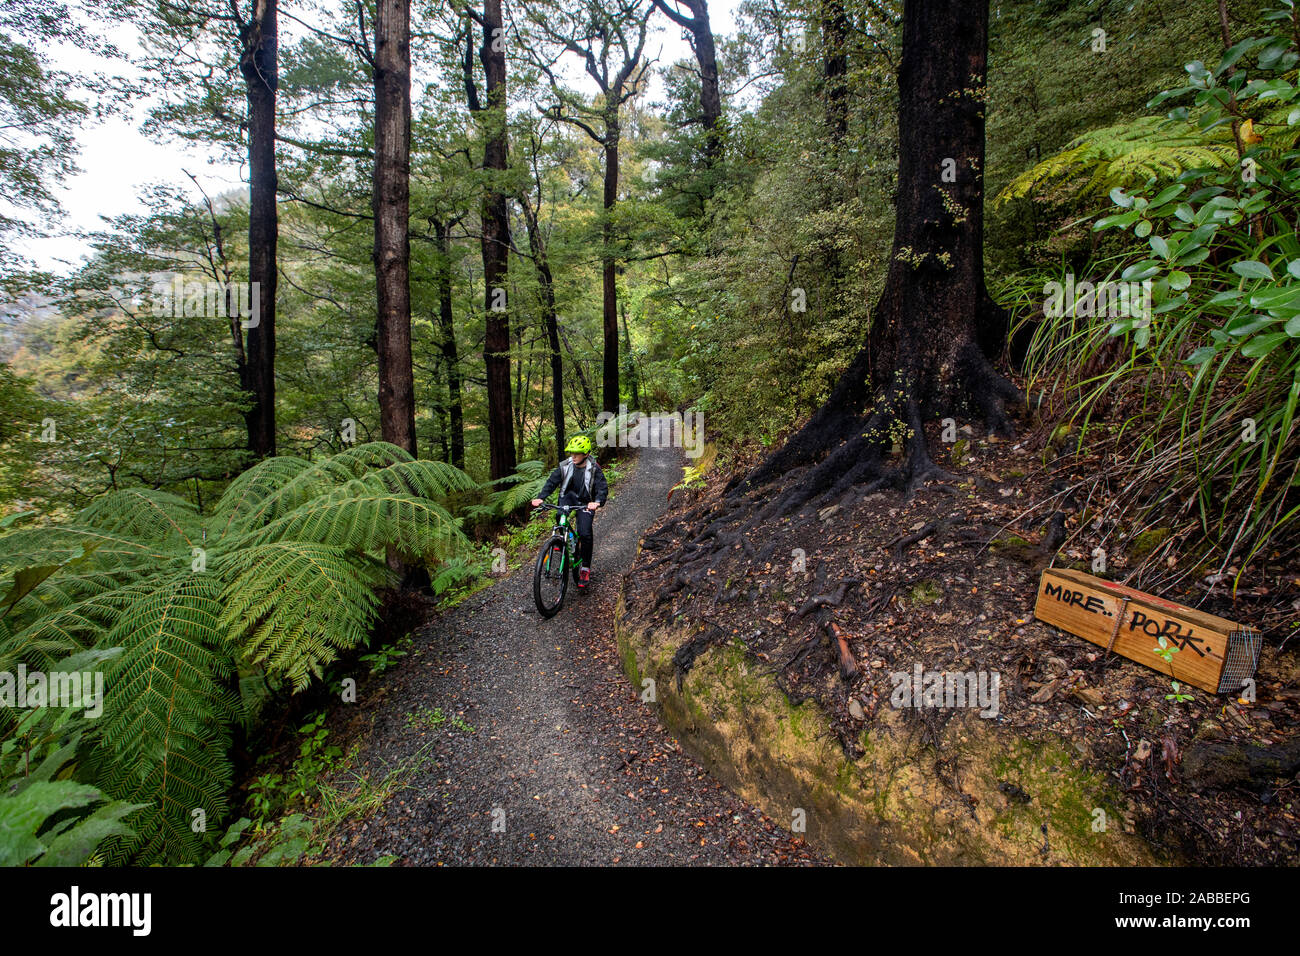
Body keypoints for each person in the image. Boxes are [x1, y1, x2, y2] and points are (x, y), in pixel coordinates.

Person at [531, 435, 608, 588]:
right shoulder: (565, 465)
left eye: (577, 453)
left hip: (586, 502)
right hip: (568, 497)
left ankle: (585, 568)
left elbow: (602, 488)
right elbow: (551, 482)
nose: (573, 456)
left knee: (585, 533)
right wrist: (541, 497)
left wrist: (597, 502)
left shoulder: (594, 468)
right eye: (571, 452)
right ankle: (563, 540)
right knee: (560, 515)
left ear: (586, 454)